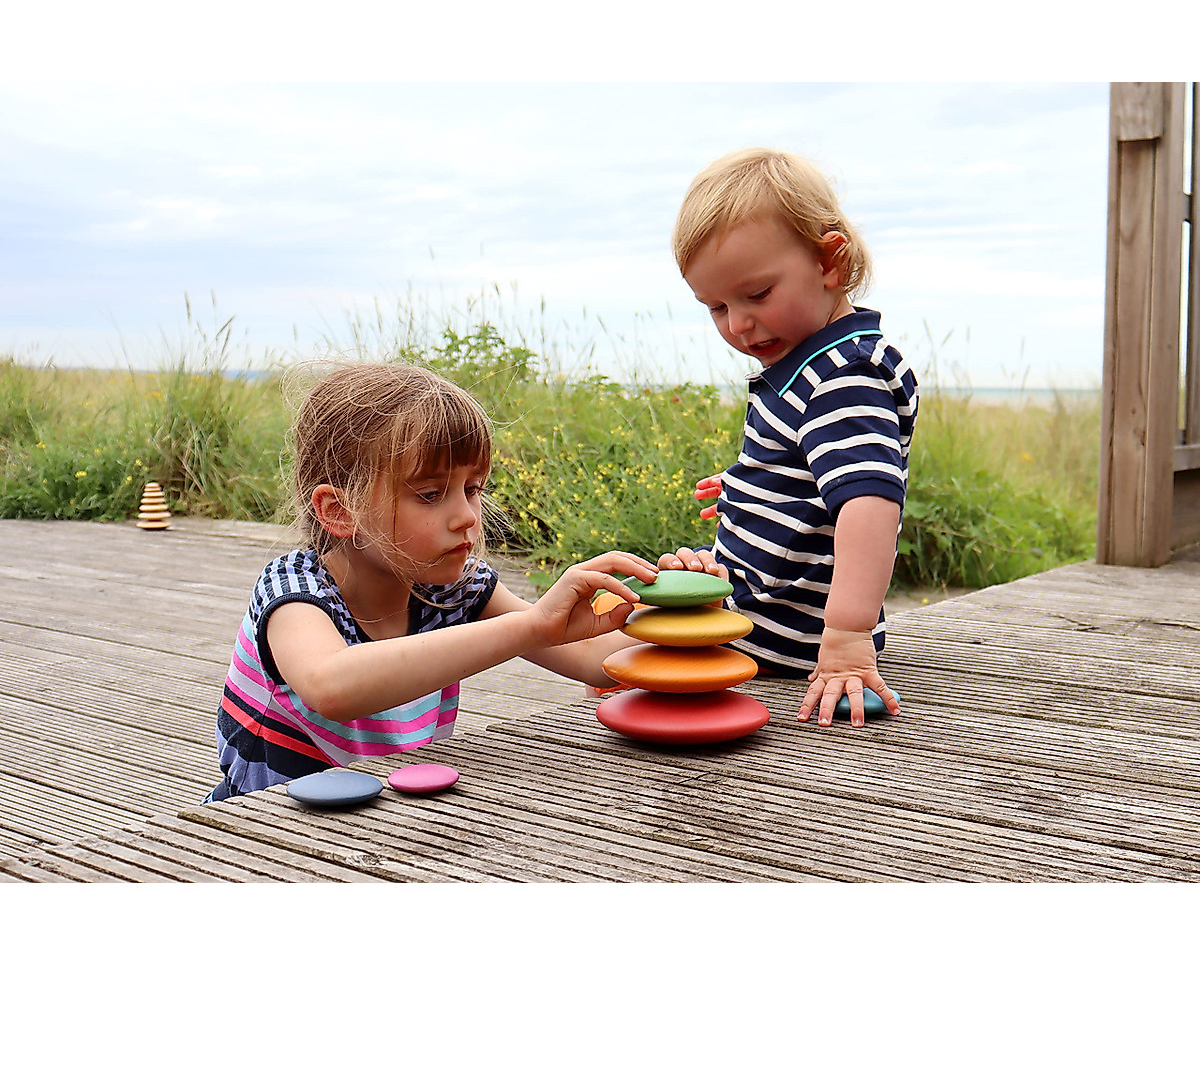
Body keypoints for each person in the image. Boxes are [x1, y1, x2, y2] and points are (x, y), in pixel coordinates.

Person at [203, 361, 657, 802]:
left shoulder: (454, 589)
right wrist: (534, 625)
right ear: (340, 511)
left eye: (472, 488)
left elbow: (598, 662)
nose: (466, 516)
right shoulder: (293, 591)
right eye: (429, 494)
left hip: (393, 822)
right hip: (265, 830)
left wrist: (682, 607)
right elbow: (331, 686)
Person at [659, 148, 919, 730]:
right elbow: (819, 476)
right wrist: (752, 488)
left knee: (615, 647)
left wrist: (848, 640)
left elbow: (869, 502)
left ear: (830, 263)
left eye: (757, 295)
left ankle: (500, 621)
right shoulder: (816, 368)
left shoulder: (840, 376)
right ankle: (503, 622)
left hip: (782, 631)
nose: (738, 324)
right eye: (717, 307)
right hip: (764, 608)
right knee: (630, 615)